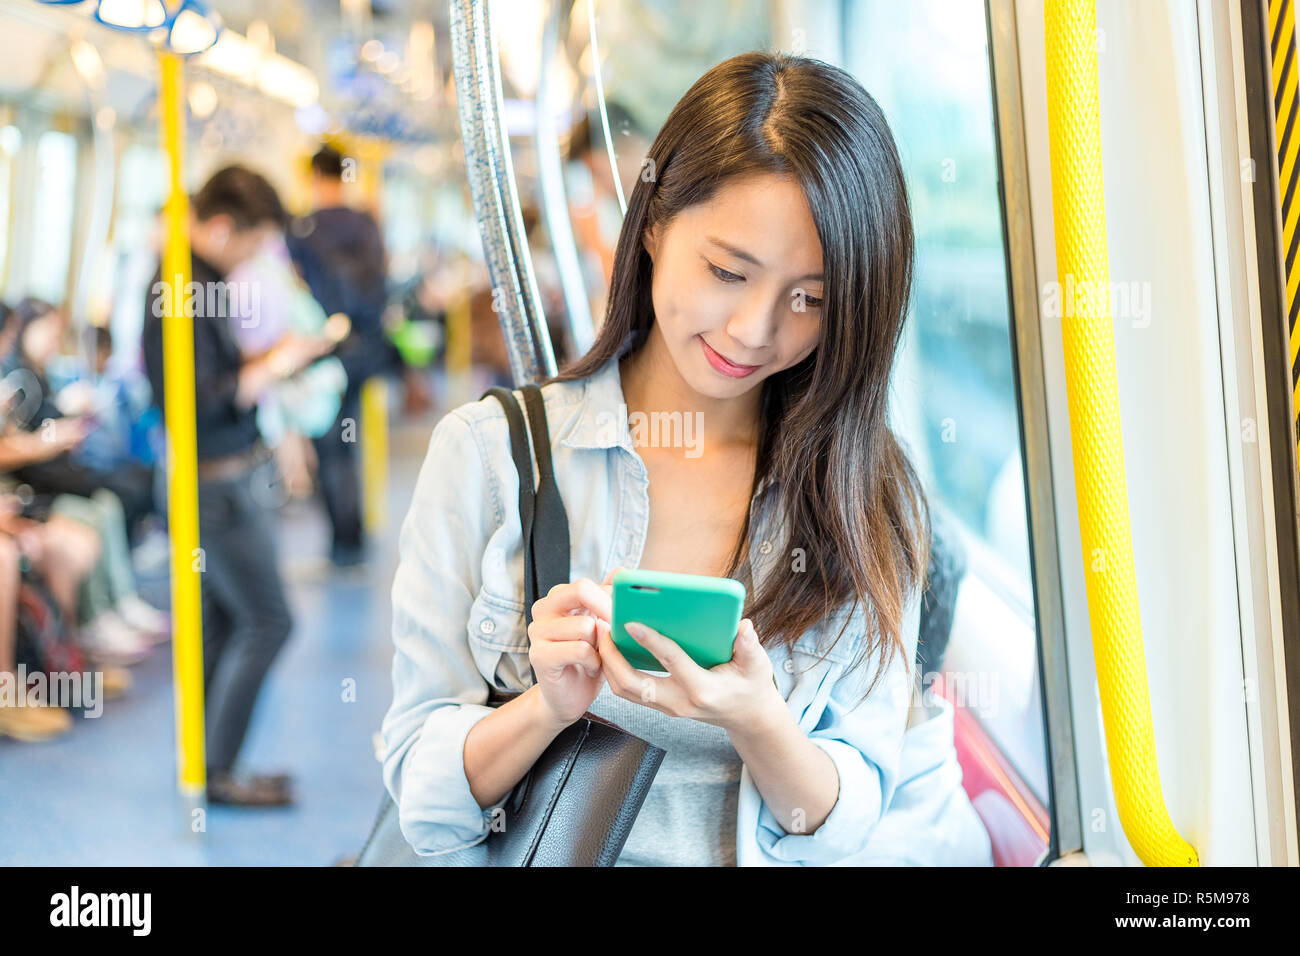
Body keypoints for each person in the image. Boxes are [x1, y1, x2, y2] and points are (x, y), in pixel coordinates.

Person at [380, 52, 993, 865]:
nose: (753, 329)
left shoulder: (866, 493)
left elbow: (842, 823)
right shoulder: (492, 458)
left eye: (809, 296)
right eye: (726, 271)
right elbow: (424, 803)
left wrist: (758, 719)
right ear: (657, 223)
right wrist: (545, 708)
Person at [142, 165, 332, 807]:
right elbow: (194, 403)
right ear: (222, 227)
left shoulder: (205, 281)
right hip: (214, 485)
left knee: (223, 624)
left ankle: (211, 763)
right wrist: (273, 365)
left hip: (222, 477)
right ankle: (215, 771)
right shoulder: (179, 291)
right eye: (251, 244)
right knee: (269, 620)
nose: (254, 258)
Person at [285, 145, 401, 567]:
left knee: (333, 444)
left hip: (326, 349)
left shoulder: (301, 229)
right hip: (368, 347)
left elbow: (295, 289)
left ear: (314, 176)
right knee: (349, 435)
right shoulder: (367, 223)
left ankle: (345, 542)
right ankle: (354, 533)